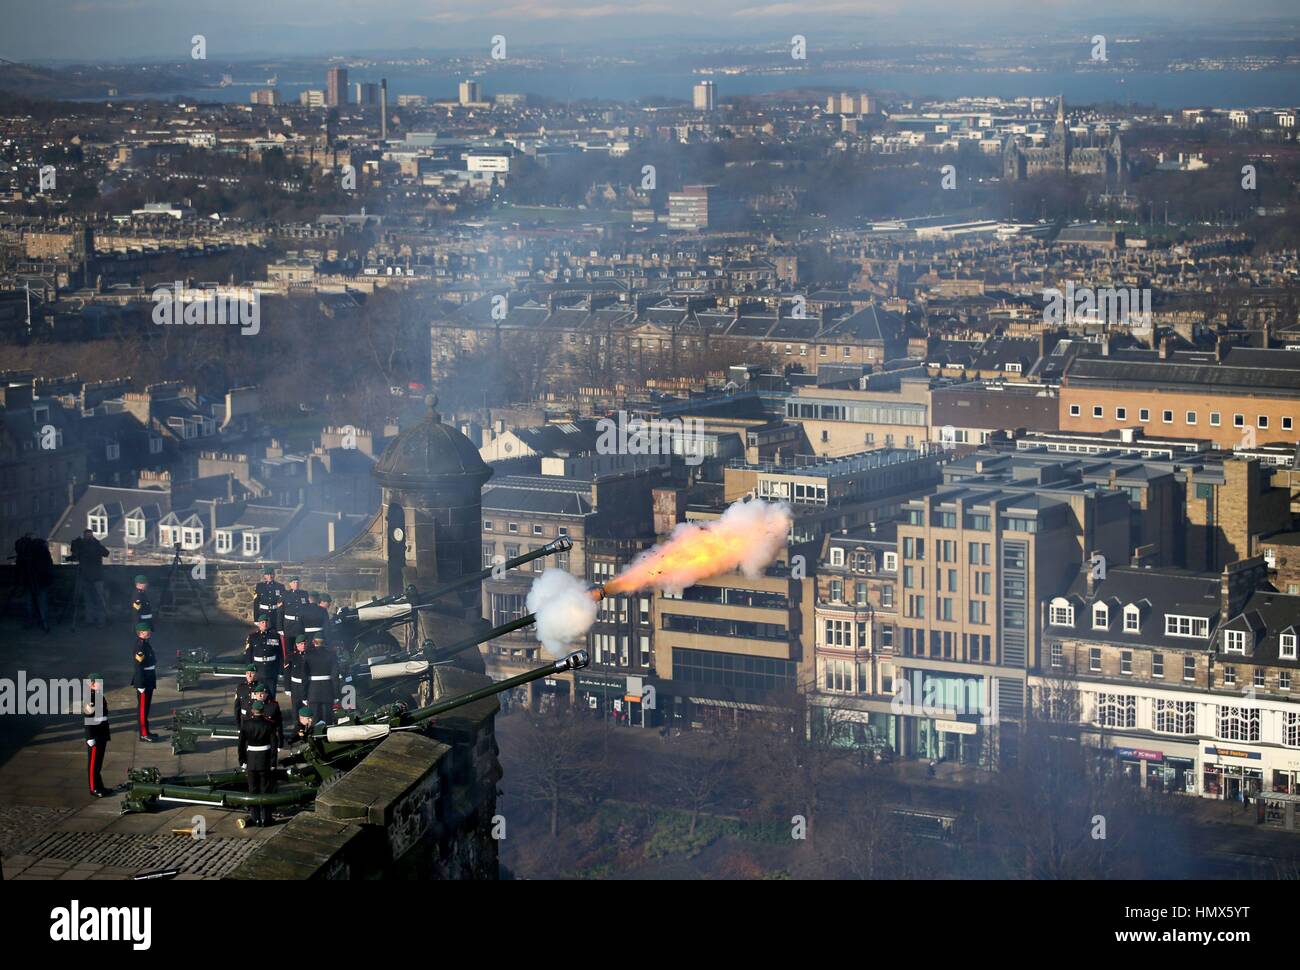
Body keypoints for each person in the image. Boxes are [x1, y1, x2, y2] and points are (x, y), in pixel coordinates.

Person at [238, 700, 278, 828]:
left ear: (253, 711)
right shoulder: (269, 725)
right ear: (263, 711)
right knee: (265, 789)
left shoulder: (246, 724)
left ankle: (255, 818)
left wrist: (242, 761)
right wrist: (273, 762)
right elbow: (274, 745)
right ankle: (266, 819)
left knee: (252, 790)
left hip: (251, 760)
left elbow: (241, 744)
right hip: (265, 760)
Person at [68, 529, 110, 626]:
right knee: (89, 599)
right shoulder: (83, 546)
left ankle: (99, 620)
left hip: (95, 577)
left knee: (97, 599)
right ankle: (91, 619)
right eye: (87, 536)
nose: (88, 537)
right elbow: (74, 554)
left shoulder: (95, 545)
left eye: (89, 536)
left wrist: (95, 543)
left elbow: (106, 553)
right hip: (88, 577)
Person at [15, 533, 53, 632]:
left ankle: (30, 622)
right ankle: (44, 623)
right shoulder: (42, 549)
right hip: (40, 580)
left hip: (32, 580)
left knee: (30, 603)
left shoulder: (24, 550)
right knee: (42, 603)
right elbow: (49, 564)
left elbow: (20, 566)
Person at [83, 673, 111, 797]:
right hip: (95, 735)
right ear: (92, 684)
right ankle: (93, 788)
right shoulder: (90, 697)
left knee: (98, 763)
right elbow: (88, 719)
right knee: (93, 764)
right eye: (99, 682)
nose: (101, 684)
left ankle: (100, 786)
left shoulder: (98, 694)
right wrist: (90, 737)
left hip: (101, 732)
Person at [130, 623, 160, 742]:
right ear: (140, 633)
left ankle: (146, 732)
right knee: (142, 710)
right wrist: (140, 684)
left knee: (146, 708)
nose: (149, 632)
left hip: (149, 678)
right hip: (144, 681)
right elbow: (138, 667)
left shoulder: (145, 644)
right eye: (147, 631)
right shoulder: (140, 647)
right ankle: (143, 734)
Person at [304, 633, 341, 727]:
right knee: (327, 720)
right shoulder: (332, 655)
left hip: (313, 691)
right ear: (324, 641)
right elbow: (335, 677)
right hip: (327, 690)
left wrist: (304, 695)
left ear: (313, 642)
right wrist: (336, 694)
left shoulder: (308, 654)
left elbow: (304, 677)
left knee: (314, 719)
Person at [244, 614, 283, 699]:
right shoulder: (252, 637)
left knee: (271, 694)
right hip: (258, 670)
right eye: (262, 622)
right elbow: (248, 655)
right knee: (258, 695)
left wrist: (280, 669)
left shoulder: (275, 636)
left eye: (266, 622)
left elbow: (280, 654)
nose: (264, 624)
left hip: (271, 669)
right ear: (259, 624)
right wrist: (250, 670)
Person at [234, 665, 256, 767]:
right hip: (244, 720)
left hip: (256, 719)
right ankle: (243, 762)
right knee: (242, 743)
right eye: (248, 673)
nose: (250, 675)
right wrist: (238, 725)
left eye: (252, 673)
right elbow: (237, 708)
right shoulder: (240, 688)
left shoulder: (261, 687)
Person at [279, 577, 308, 653]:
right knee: (289, 648)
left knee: (301, 647)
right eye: (294, 582)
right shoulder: (285, 595)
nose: (296, 584)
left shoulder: (304, 594)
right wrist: (280, 628)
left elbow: (308, 610)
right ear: (290, 584)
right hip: (289, 625)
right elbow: (280, 612)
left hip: (300, 625)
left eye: (297, 582)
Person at [252, 682, 284, 747]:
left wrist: (280, 741)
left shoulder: (273, 706)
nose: (259, 696)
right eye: (257, 694)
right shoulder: (251, 705)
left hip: (269, 738)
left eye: (261, 694)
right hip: (255, 738)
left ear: (266, 694)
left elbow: (279, 724)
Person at [285, 634, 310, 719]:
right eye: (301, 644)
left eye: (304, 643)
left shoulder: (311, 656)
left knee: (308, 708)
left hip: (308, 685)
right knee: (296, 707)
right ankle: (297, 726)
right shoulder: (291, 657)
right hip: (296, 686)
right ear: (297, 645)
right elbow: (287, 673)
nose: (303, 645)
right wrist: (287, 688)